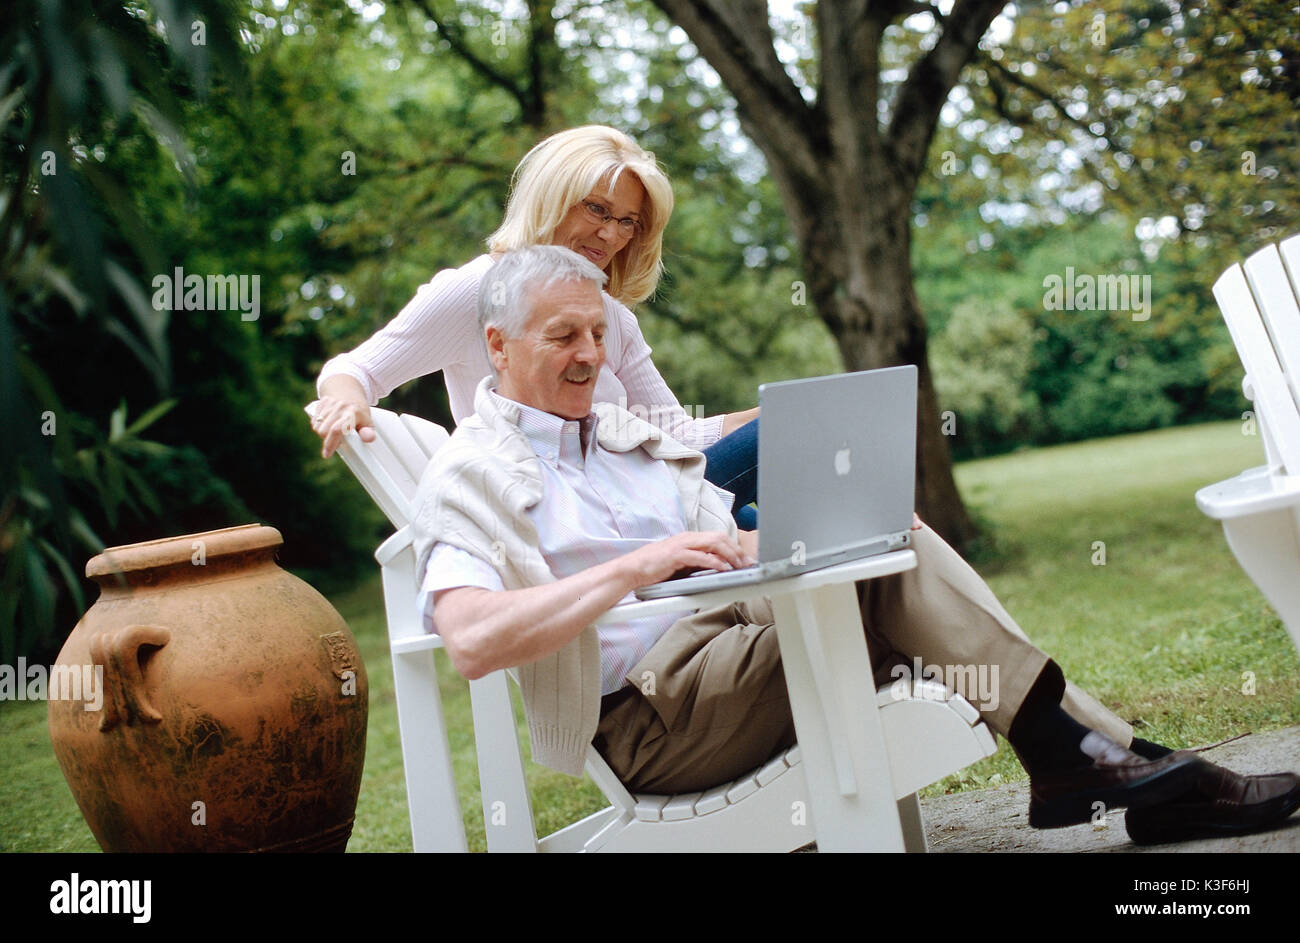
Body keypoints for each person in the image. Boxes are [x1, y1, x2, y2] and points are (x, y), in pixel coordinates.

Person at [411, 245, 1300, 846]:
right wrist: (631, 569)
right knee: (880, 575)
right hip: (656, 717)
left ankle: (1103, 764)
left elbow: (727, 543)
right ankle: (1112, 763)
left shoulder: (617, 435)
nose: (590, 356)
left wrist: (826, 528)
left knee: (883, 542)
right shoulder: (472, 472)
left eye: (599, 333)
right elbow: (473, 638)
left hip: (732, 644)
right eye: (564, 336)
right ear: (496, 344)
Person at [310, 125, 759, 526]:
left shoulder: (611, 315)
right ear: (552, 198)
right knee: (792, 438)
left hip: (643, 494)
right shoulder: (480, 291)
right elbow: (356, 370)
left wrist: (778, 411)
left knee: (783, 518)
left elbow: (673, 434)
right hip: (574, 516)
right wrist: (347, 403)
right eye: (598, 210)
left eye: (627, 221)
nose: (612, 234)